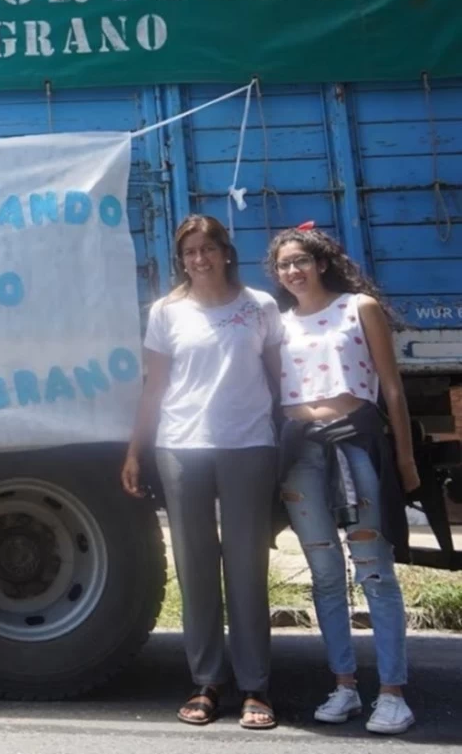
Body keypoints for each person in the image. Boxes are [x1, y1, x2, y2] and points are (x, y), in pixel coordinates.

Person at [121, 214, 282, 730]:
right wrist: (134, 450)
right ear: (181, 259)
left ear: (225, 251)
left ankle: (256, 686)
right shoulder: (166, 312)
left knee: (246, 566)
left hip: (248, 445)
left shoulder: (260, 307)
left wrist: (286, 441)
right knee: (195, 567)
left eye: (206, 249)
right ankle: (208, 681)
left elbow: (279, 380)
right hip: (181, 448)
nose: (198, 259)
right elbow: (155, 387)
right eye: (189, 252)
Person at [267, 225, 421, 735]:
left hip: (356, 444)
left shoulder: (359, 308)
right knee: (325, 573)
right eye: (284, 264)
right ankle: (345, 686)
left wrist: (404, 458)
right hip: (301, 452)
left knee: (374, 569)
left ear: (322, 263)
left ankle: (394, 693)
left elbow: (391, 389)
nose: (293, 271)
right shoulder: (279, 323)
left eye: (301, 261)